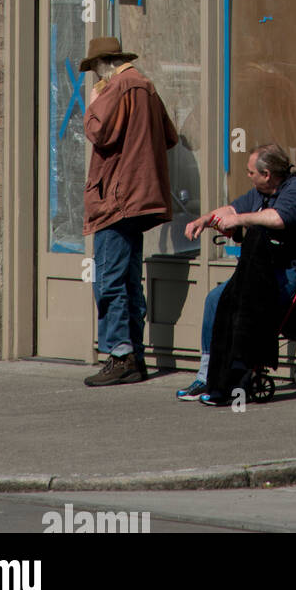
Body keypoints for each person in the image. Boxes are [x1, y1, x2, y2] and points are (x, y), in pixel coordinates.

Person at [176, 143, 296, 405]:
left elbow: (278, 218)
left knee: (252, 305)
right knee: (216, 299)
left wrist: (240, 222)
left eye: (251, 172)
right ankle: (207, 373)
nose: (248, 176)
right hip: (264, 267)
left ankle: (239, 371)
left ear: (267, 173)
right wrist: (204, 220)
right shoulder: (260, 192)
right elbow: (232, 210)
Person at [81, 36, 177, 387]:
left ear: (103, 63)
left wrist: (93, 103)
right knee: (127, 277)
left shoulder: (118, 86)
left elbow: (98, 132)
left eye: (94, 70)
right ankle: (133, 356)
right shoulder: (145, 85)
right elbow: (170, 136)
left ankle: (120, 355)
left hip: (117, 199)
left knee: (109, 278)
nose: (94, 78)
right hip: (139, 196)